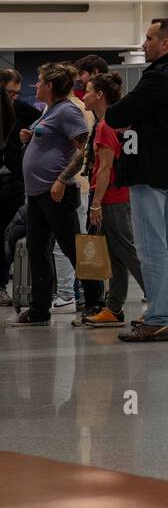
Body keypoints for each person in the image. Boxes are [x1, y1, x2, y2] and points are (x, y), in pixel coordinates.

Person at [105, 18, 168, 343]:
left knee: (150, 245)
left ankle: (156, 318)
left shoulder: (158, 77)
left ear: (165, 44)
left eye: (149, 38)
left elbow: (118, 114)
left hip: (147, 170)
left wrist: (112, 110)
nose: (144, 44)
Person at [16, 63, 90, 327]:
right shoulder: (50, 110)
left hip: (56, 192)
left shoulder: (68, 110)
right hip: (37, 194)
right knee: (37, 250)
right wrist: (30, 136)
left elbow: (83, 150)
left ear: (49, 86)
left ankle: (94, 305)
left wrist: (61, 179)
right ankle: (39, 310)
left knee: (73, 249)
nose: (34, 86)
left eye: (38, 81)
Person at [73, 73, 147, 327]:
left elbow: (104, 169)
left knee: (128, 252)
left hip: (111, 198)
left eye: (89, 91)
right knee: (115, 254)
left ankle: (160, 302)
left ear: (101, 95)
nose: (85, 95)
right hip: (115, 195)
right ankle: (114, 308)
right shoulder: (117, 123)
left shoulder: (105, 127)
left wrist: (96, 203)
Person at [0, 69, 39, 307]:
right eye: (8, 93)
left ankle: (2, 284)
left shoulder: (25, 111)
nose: (12, 98)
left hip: (14, 181)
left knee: (8, 234)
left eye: (16, 93)